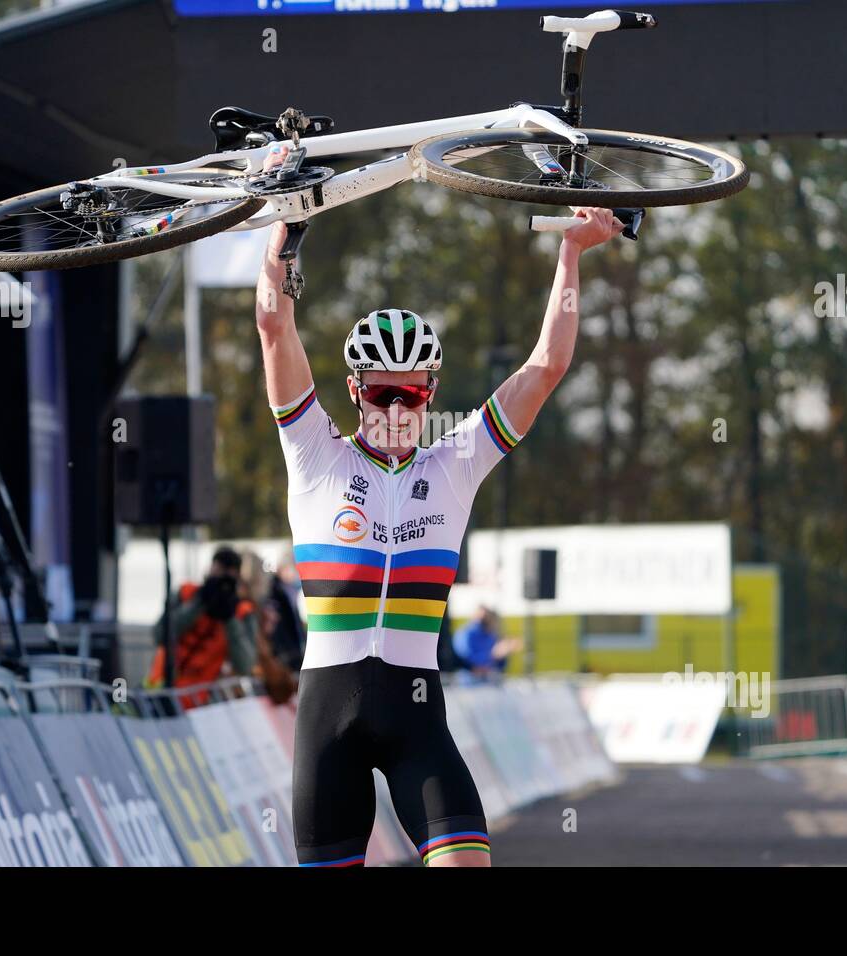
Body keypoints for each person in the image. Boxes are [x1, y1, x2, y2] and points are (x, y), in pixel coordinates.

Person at [255, 143, 623, 867]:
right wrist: (284, 229)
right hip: (327, 717)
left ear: (429, 393)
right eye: (383, 391)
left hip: (417, 715)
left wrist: (573, 253)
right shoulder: (315, 454)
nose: (398, 405)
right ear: (357, 391)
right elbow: (274, 326)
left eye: (413, 392)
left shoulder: (455, 463)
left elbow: (545, 368)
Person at [145, 545, 253, 708]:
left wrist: (229, 618)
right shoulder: (186, 594)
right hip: (159, 694)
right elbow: (160, 634)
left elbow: (245, 665)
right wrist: (200, 602)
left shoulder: (240, 612)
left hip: (198, 706)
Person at [452, 606, 521, 682]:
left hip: (489, 680)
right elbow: (467, 660)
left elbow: (500, 665)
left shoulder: (490, 635)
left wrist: (504, 652)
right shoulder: (465, 634)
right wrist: (493, 655)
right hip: (469, 681)